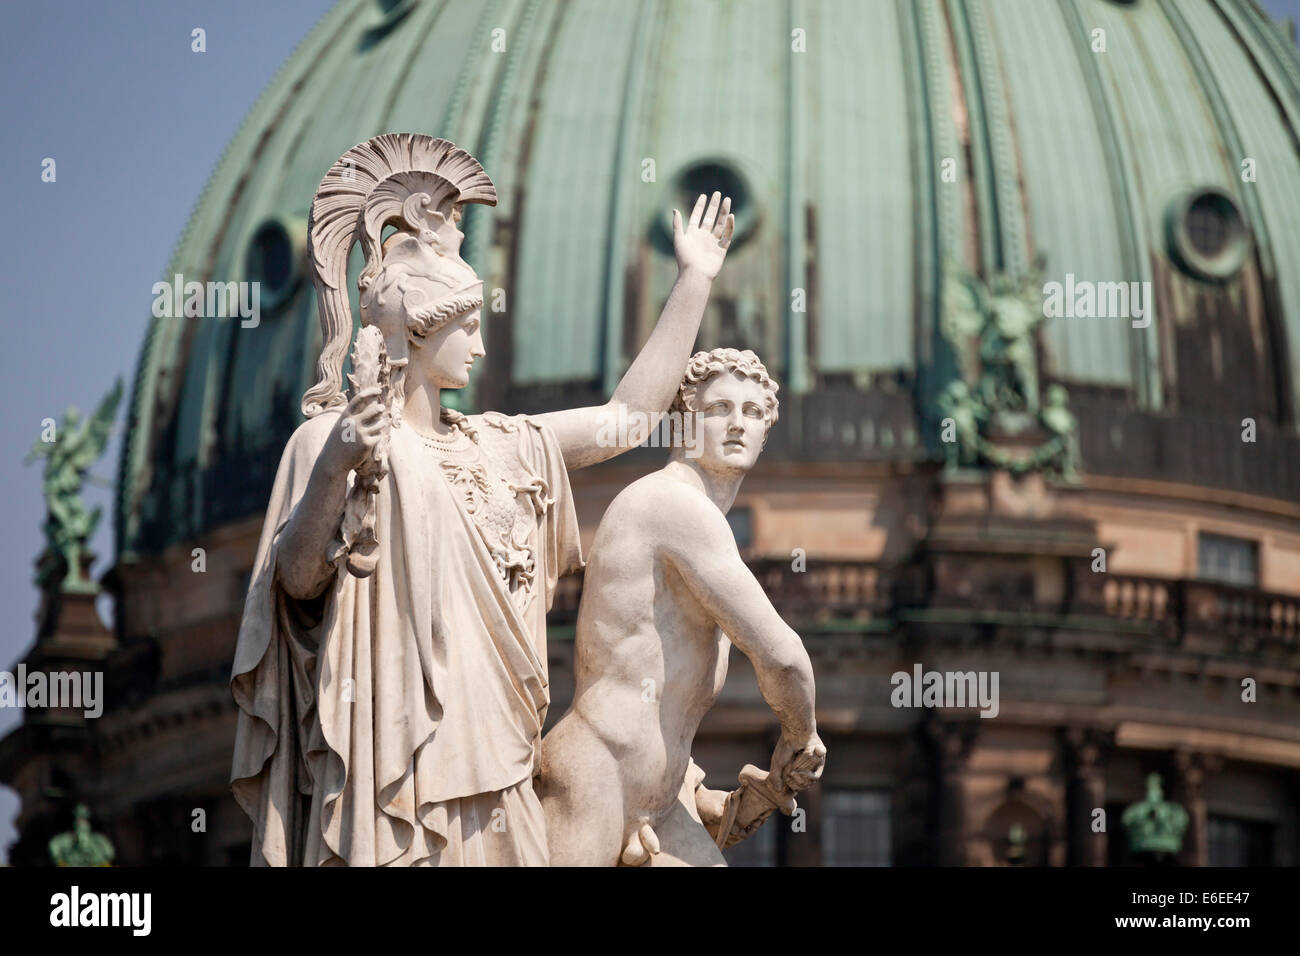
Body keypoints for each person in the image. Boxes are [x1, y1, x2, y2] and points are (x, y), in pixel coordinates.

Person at [229, 133, 734, 866]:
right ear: (415, 333)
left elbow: (629, 419)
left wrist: (694, 282)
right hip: (389, 754)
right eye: (468, 329)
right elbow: (300, 580)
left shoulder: (506, 444)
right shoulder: (330, 445)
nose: (482, 349)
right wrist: (339, 465)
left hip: (500, 755)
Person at [539, 348, 825, 866]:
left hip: (662, 805)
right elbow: (783, 656)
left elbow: (664, 692)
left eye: (753, 412)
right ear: (682, 422)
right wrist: (800, 737)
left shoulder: (699, 522)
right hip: (594, 779)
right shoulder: (671, 504)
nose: (738, 424)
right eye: (718, 409)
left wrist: (693, 788)